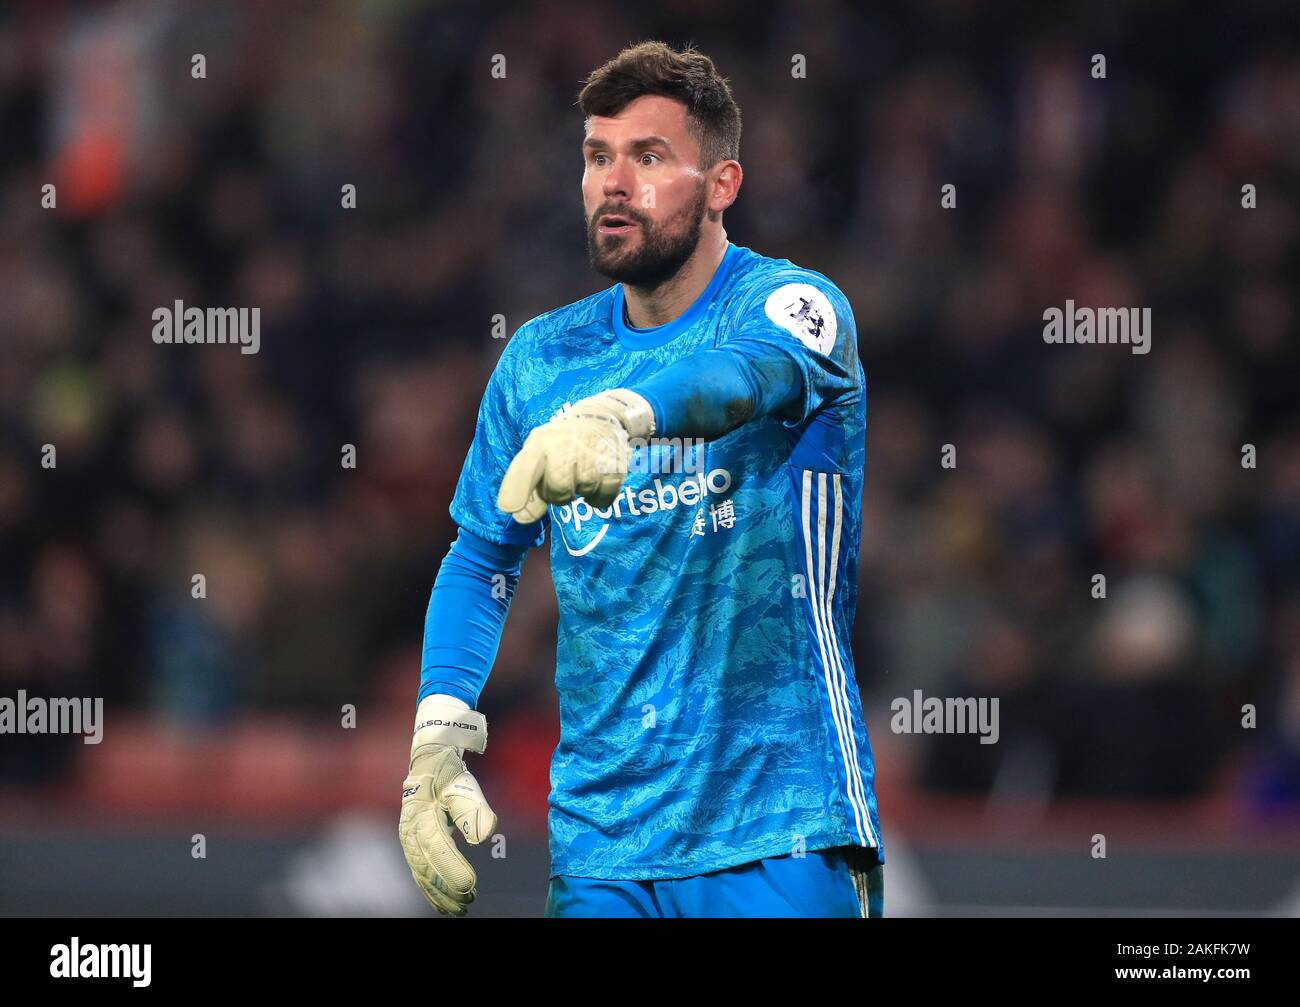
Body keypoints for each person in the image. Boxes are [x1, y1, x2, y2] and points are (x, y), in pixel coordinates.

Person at [398, 40, 884, 918]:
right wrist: (439, 727)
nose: (613, 183)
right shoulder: (541, 361)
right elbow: (482, 557)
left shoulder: (796, 306)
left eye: (649, 157)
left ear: (722, 184)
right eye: (597, 157)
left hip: (781, 826)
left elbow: (747, 376)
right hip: (601, 848)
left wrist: (625, 414)